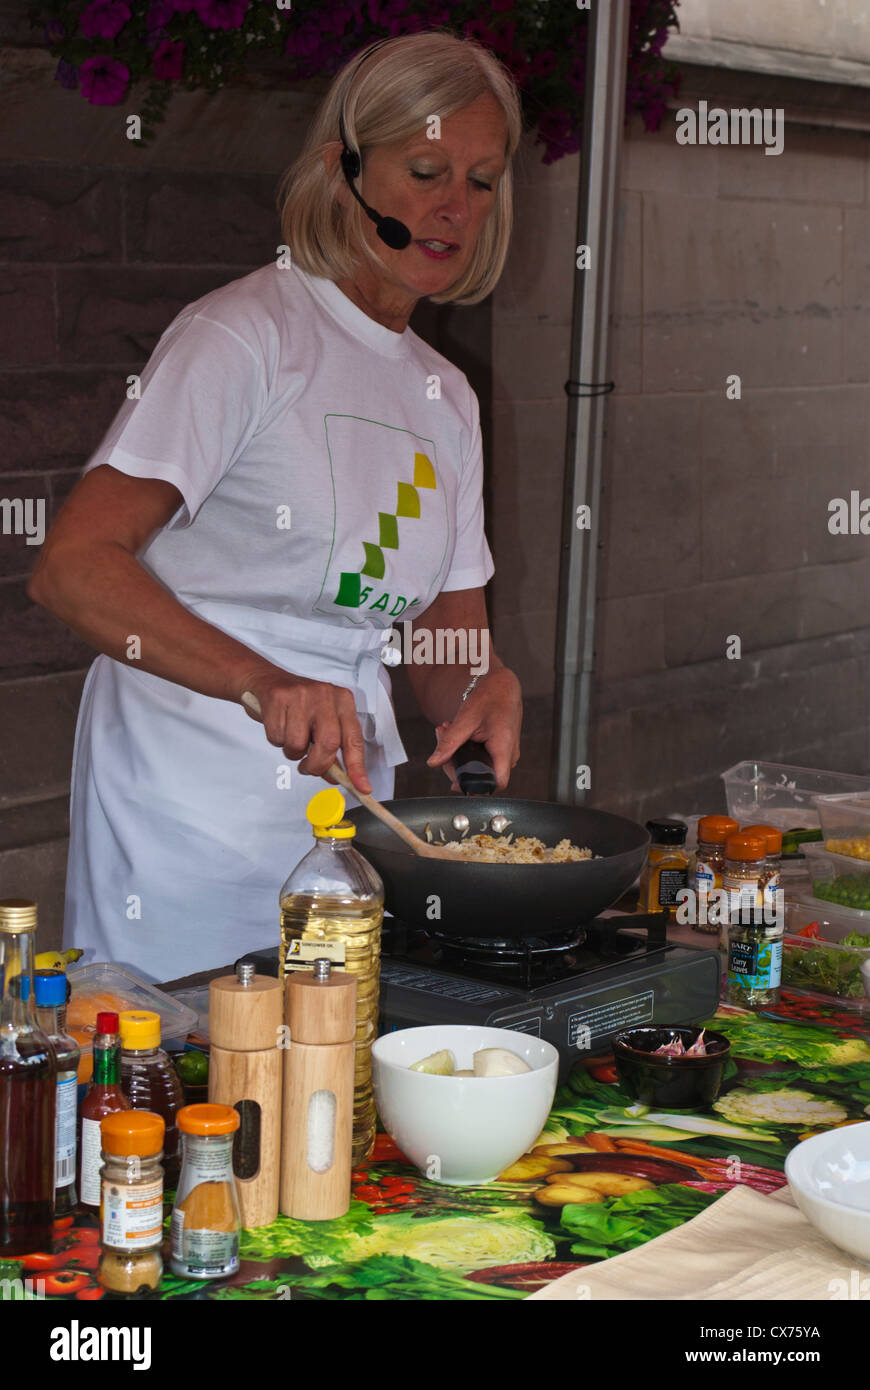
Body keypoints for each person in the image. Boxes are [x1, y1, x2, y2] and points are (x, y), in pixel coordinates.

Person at [29, 30, 524, 980]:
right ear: (347, 168)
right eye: (425, 171)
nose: (453, 208)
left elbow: (441, 639)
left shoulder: (445, 396)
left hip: (347, 829)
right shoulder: (242, 334)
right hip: (185, 816)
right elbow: (73, 569)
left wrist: (480, 687)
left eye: (482, 181)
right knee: (189, 1088)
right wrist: (263, 682)